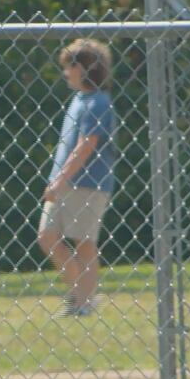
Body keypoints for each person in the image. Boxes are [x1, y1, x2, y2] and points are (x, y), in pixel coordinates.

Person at [36, 39, 116, 317]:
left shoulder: (98, 102)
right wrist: (59, 180)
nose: (65, 73)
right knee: (47, 236)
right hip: (65, 181)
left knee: (83, 242)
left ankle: (83, 302)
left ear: (82, 68)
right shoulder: (78, 100)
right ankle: (82, 295)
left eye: (69, 67)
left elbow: (87, 144)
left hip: (88, 183)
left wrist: (60, 180)